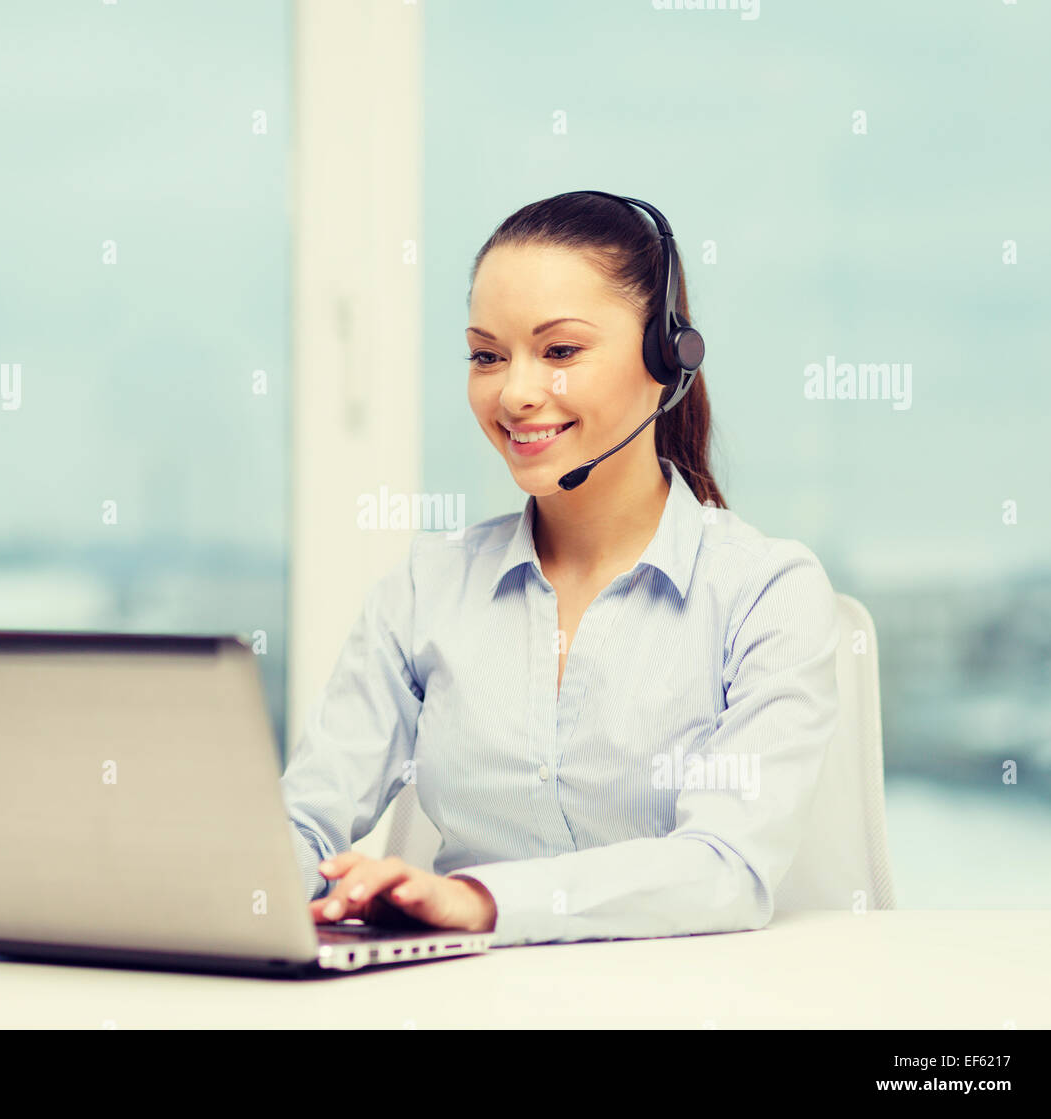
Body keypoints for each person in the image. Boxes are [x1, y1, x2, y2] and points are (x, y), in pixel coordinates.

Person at [279, 190, 840, 948]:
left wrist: (481, 900)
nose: (514, 393)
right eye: (486, 355)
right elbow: (304, 817)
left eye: (561, 351)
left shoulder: (765, 591)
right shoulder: (425, 588)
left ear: (665, 358)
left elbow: (725, 866)